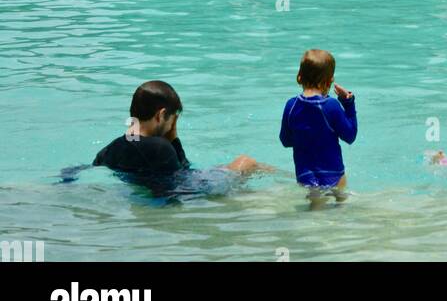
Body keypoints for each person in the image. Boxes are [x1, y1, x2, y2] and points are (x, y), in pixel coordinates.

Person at [93, 80, 271, 193]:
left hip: (149, 188)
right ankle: (291, 183)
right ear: (160, 115)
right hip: (191, 193)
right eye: (172, 119)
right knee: (246, 162)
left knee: (222, 167)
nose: (172, 124)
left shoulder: (109, 150)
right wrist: (174, 137)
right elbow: (183, 176)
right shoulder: (160, 147)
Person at [279, 49, 357, 201]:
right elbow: (350, 136)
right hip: (334, 175)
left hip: (306, 178)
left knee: (315, 211)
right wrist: (348, 103)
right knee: (341, 207)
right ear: (328, 81)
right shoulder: (331, 106)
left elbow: (285, 141)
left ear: (299, 77)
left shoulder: (291, 105)